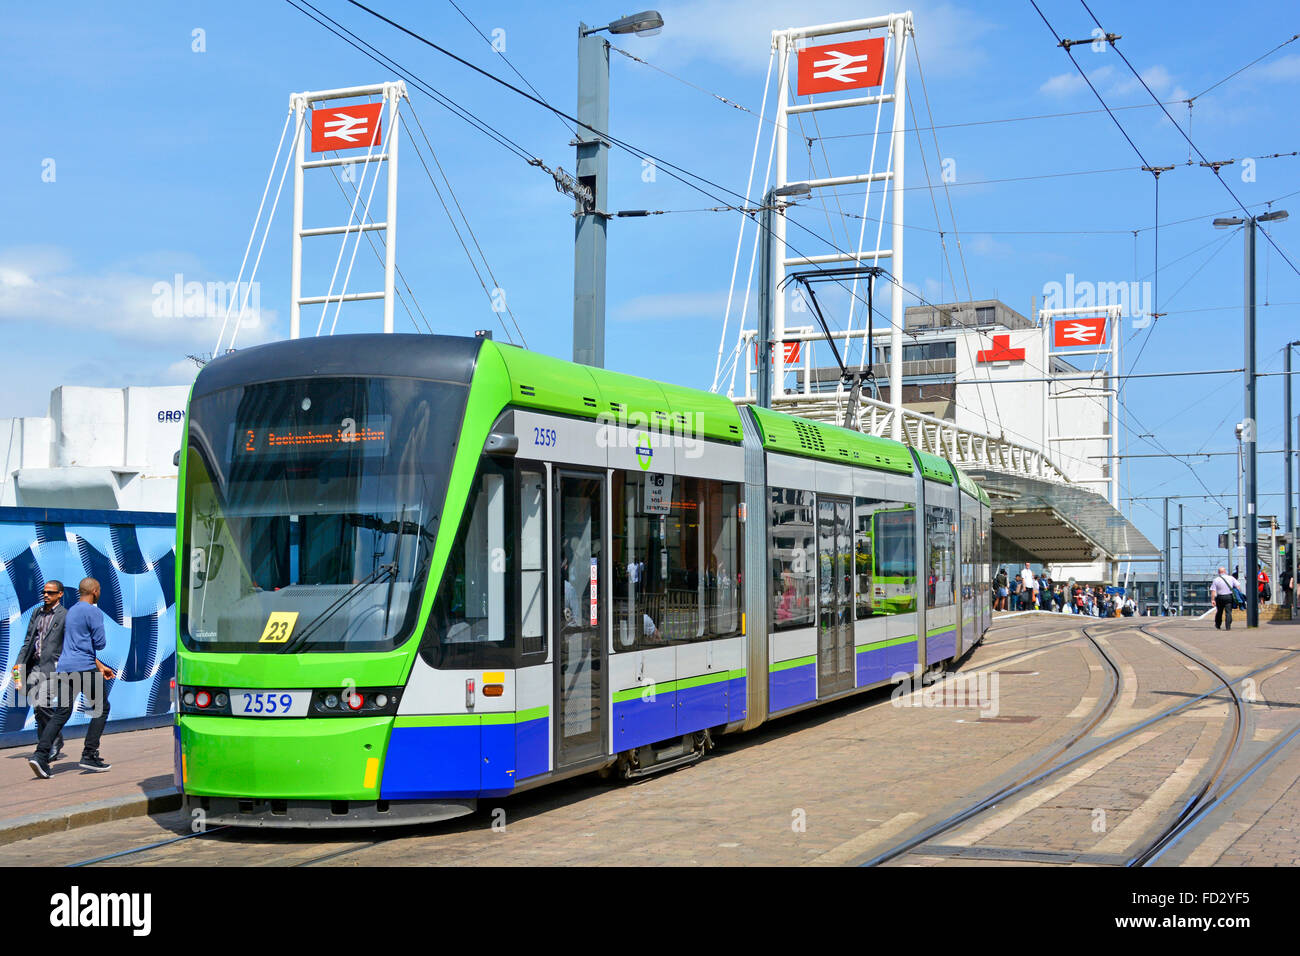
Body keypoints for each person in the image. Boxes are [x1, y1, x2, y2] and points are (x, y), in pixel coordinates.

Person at [28, 578, 115, 778]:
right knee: (101, 708)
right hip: (85, 667)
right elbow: (100, 643)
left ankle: (40, 755)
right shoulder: (93, 611)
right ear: (95, 590)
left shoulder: (72, 610)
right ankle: (89, 754)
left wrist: (100, 666)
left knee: (62, 712)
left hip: (66, 668)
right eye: (99, 590)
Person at [13, 580, 67, 760]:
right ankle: (47, 743)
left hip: (53, 668)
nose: (46, 595)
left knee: (43, 704)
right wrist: (18, 669)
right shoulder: (37, 613)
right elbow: (28, 642)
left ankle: (53, 741)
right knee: (38, 709)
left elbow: (70, 643)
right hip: (34, 667)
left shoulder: (64, 616)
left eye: (51, 593)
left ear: (60, 594)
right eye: (44, 592)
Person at [1210, 566, 1240, 631]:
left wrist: (1212, 600)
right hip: (1229, 597)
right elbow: (1238, 586)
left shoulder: (1216, 580)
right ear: (1225, 571)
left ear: (1219, 572)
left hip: (1220, 597)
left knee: (1219, 612)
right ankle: (1228, 626)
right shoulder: (1231, 578)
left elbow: (1213, 591)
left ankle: (1218, 625)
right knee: (1228, 612)